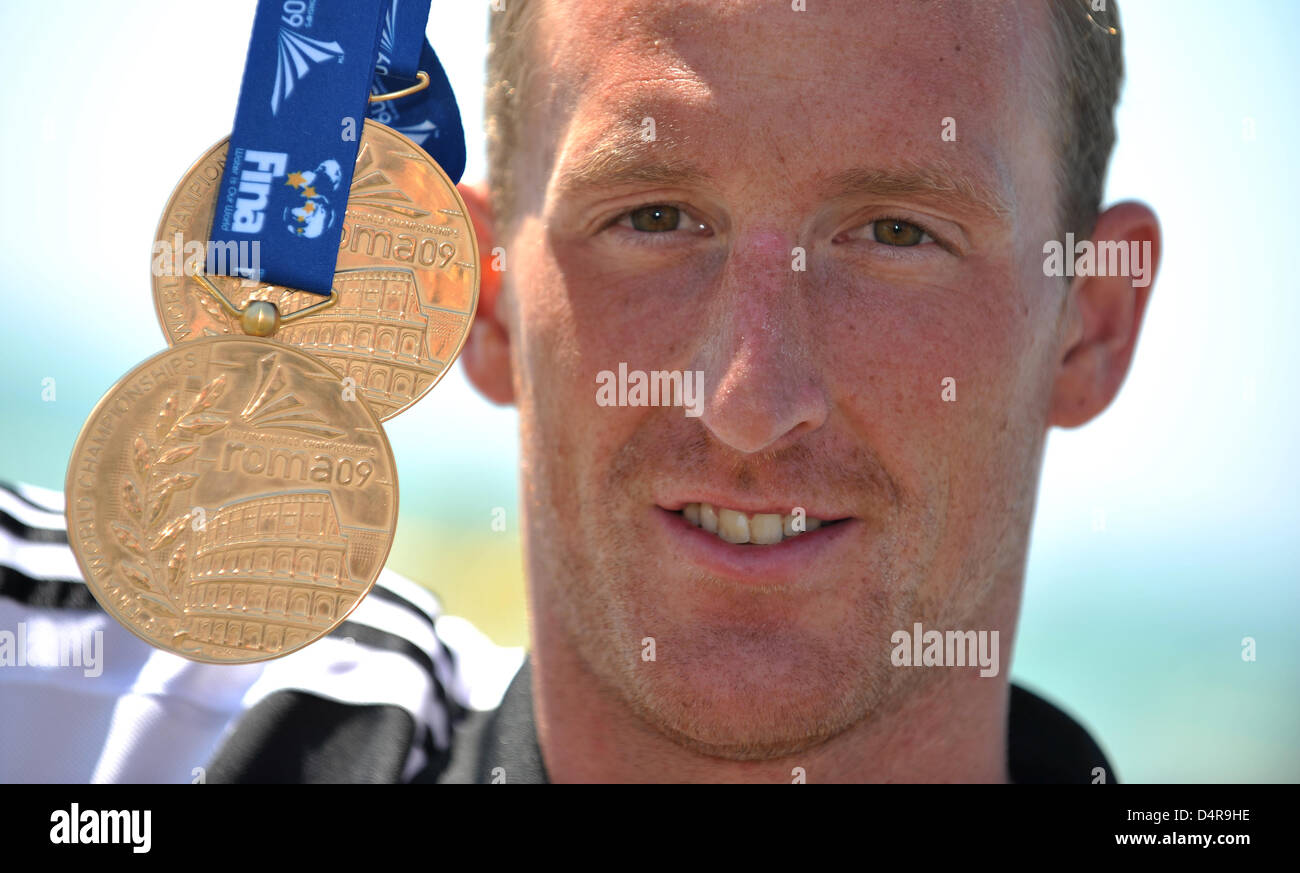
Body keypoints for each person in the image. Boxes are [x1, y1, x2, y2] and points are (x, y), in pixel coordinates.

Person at [0, 0, 1157, 783]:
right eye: (652, 218)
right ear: (483, 299)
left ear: (1087, 328)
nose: (750, 398)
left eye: (897, 232)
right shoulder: (120, 723)